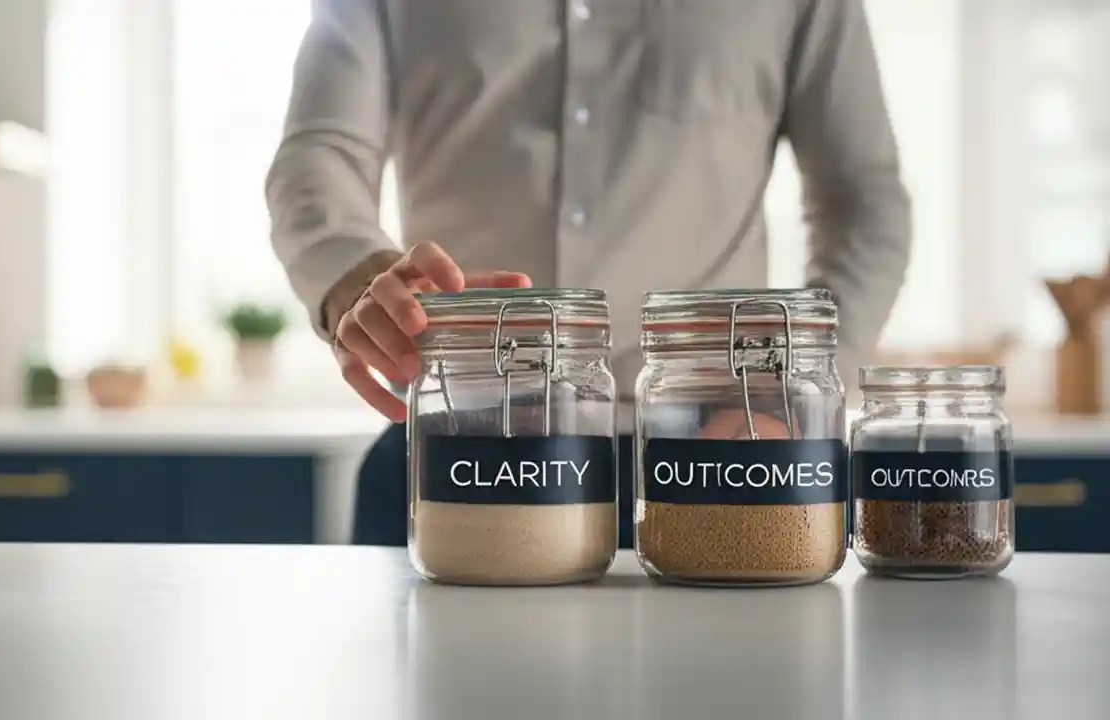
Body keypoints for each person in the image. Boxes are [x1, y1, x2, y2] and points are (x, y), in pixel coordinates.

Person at [266, 0, 911, 546]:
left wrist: (796, 405)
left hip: (724, 461)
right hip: (455, 449)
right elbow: (318, 156)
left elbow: (865, 206)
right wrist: (357, 275)